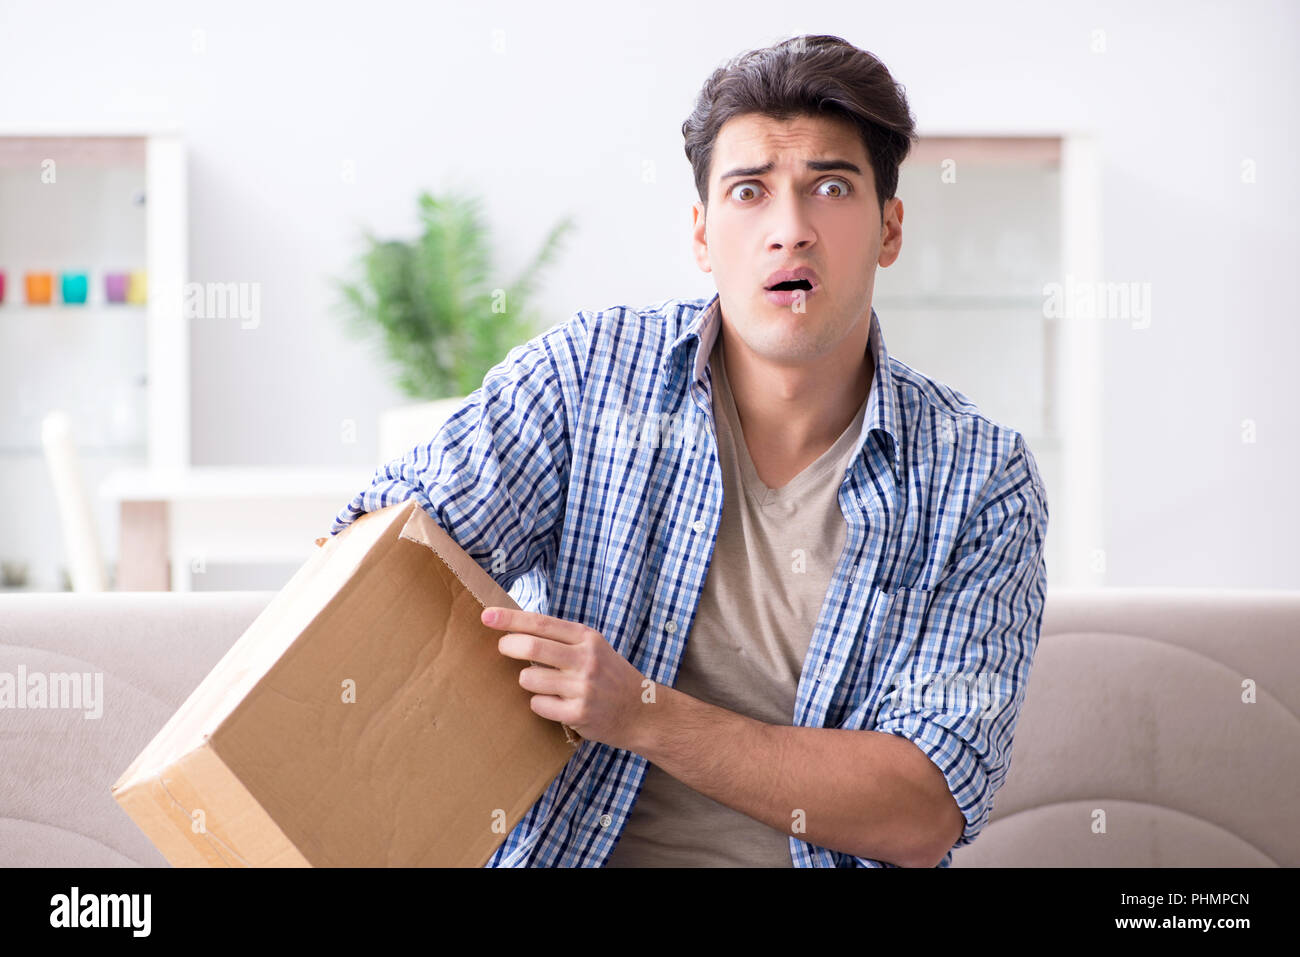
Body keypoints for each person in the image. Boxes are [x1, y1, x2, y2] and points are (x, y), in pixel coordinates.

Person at [330, 34, 1049, 868]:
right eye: (750, 191)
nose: (791, 230)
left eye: (830, 187)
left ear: (889, 228)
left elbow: (924, 807)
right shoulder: (585, 379)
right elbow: (374, 552)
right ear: (703, 235)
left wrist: (640, 711)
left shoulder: (980, 479)